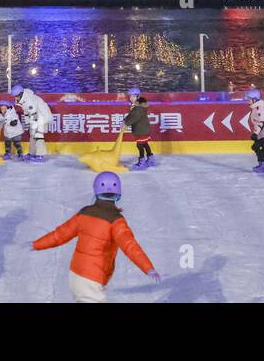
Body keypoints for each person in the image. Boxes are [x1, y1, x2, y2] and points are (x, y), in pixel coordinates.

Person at [31, 171, 160, 303]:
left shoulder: (84, 213)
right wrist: (148, 268)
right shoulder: (116, 221)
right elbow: (130, 246)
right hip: (91, 280)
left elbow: (60, 234)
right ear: (118, 194)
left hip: (75, 275)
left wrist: (36, 244)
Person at [11, 85, 53, 161]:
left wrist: (34, 125)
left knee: (38, 136)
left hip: (42, 117)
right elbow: (27, 113)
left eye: (16, 96)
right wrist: (28, 124)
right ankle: (32, 152)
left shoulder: (29, 100)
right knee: (32, 135)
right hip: (36, 117)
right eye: (14, 96)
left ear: (20, 94)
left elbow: (34, 113)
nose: (15, 98)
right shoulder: (24, 100)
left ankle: (40, 155)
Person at [125, 95, 155, 169]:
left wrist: (126, 123)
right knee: (144, 144)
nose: (131, 98)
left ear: (137, 99)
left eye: (133, 97)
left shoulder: (138, 108)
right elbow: (131, 115)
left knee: (140, 145)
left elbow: (134, 117)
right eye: (130, 97)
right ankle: (151, 159)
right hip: (142, 129)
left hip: (141, 130)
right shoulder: (137, 107)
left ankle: (142, 161)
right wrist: (125, 120)